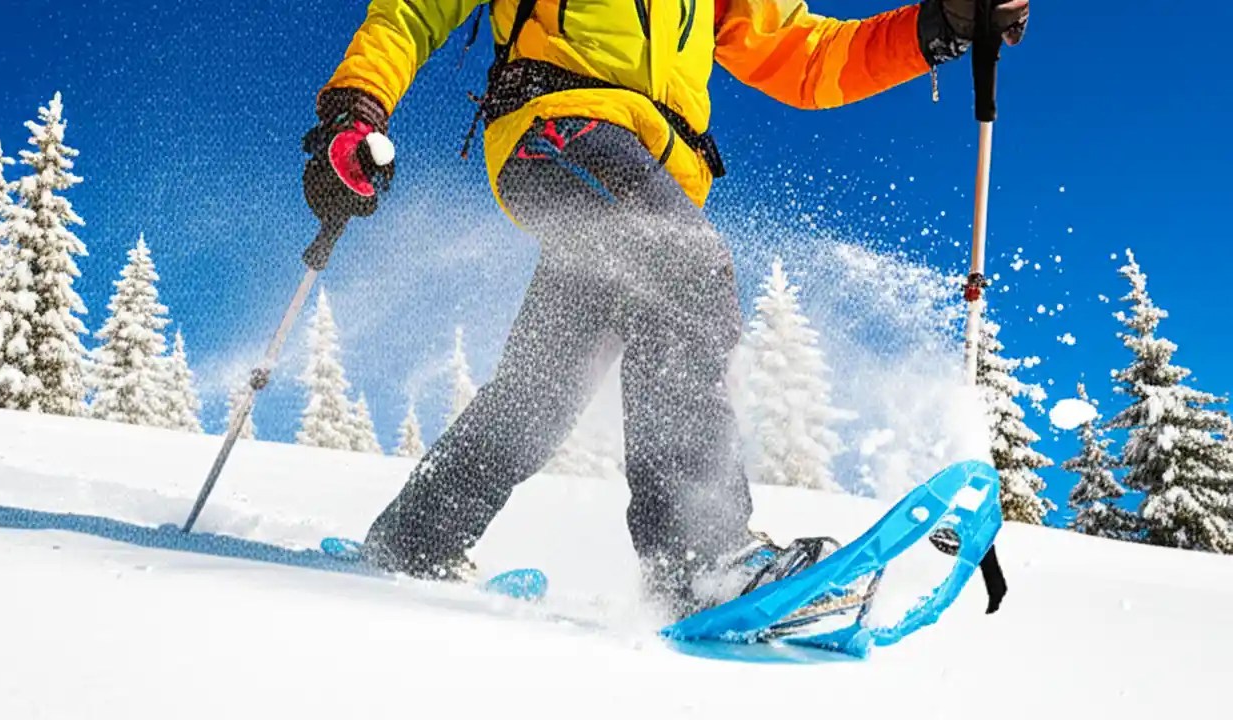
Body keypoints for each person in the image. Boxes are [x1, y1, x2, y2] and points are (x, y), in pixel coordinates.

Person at [301, 0, 1030, 619]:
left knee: (542, 390)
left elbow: (803, 57)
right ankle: (700, 561)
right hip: (560, 128)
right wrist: (356, 109)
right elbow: (412, 11)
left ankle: (413, 540)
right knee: (686, 268)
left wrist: (941, 25)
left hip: (648, 168)